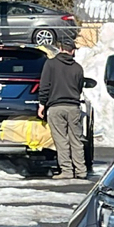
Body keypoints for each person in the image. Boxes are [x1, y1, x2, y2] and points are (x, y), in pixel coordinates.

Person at [37, 38, 89, 179]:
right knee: (76, 140)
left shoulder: (51, 64)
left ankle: (66, 170)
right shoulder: (78, 68)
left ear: (60, 49)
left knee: (61, 140)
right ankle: (81, 170)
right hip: (73, 107)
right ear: (72, 51)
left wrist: (42, 104)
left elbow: (45, 85)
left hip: (56, 107)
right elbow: (79, 88)